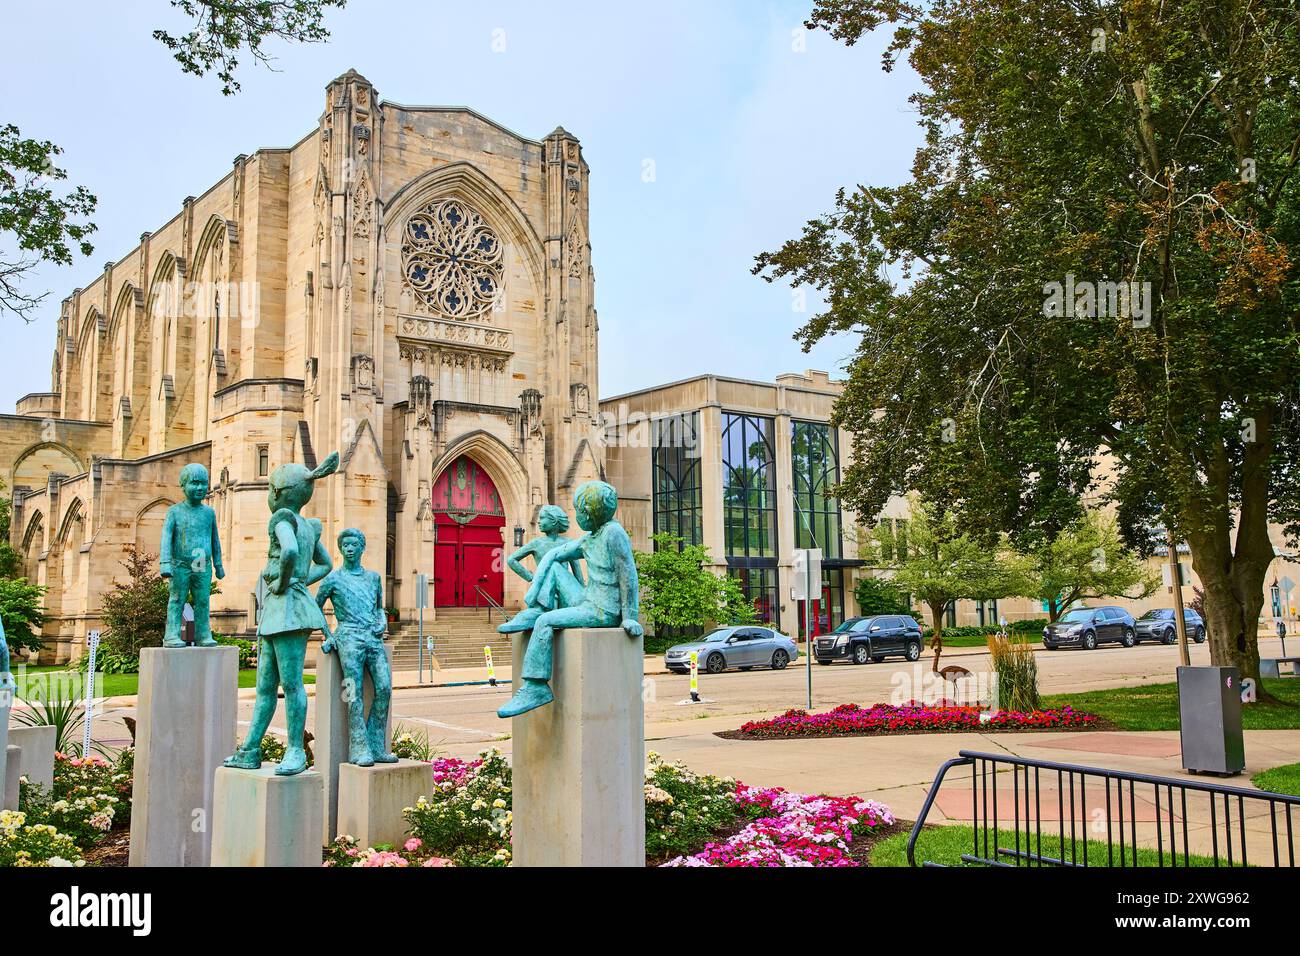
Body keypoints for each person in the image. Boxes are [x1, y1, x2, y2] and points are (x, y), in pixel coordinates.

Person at [225, 452, 339, 776]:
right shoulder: (309, 526)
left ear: (276, 493)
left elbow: (288, 551)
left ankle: (294, 751)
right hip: (284, 609)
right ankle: (250, 749)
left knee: (288, 686)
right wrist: (301, 581)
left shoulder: (283, 519)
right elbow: (326, 565)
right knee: (270, 686)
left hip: (286, 607)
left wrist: (285, 581)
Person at [496, 480, 642, 718]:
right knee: (554, 569)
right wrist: (536, 586)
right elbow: (556, 554)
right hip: (586, 599)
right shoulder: (590, 538)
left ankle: (536, 687)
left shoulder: (614, 534)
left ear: (592, 512)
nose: (577, 517)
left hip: (602, 610)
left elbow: (628, 576)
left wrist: (630, 617)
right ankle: (535, 609)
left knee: (545, 622)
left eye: (580, 511)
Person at [316, 527, 396, 766]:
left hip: (372, 637)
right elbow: (315, 606)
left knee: (384, 688)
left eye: (353, 545)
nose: (349, 549)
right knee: (353, 693)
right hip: (348, 636)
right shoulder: (333, 579)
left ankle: (375, 743)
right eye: (345, 545)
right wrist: (328, 635)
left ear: (362, 548)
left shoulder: (373, 578)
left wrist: (381, 622)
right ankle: (358, 747)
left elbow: (379, 607)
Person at [160, 463, 224, 648]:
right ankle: (171, 634)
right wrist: (165, 563)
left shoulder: (209, 513)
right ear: (183, 485)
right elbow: (166, 537)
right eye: (194, 483)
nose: (200, 488)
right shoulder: (174, 512)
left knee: (202, 600)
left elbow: (214, 539)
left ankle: (203, 634)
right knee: (177, 599)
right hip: (180, 563)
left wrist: (218, 564)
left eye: (204, 483)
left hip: (201, 563)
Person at [502, 504, 586, 616]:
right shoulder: (537, 543)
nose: (539, 522)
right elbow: (511, 560)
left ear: (554, 521)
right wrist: (531, 578)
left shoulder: (568, 543)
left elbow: (577, 572)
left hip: (564, 592)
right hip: (543, 590)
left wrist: (583, 593)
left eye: (542, 518)